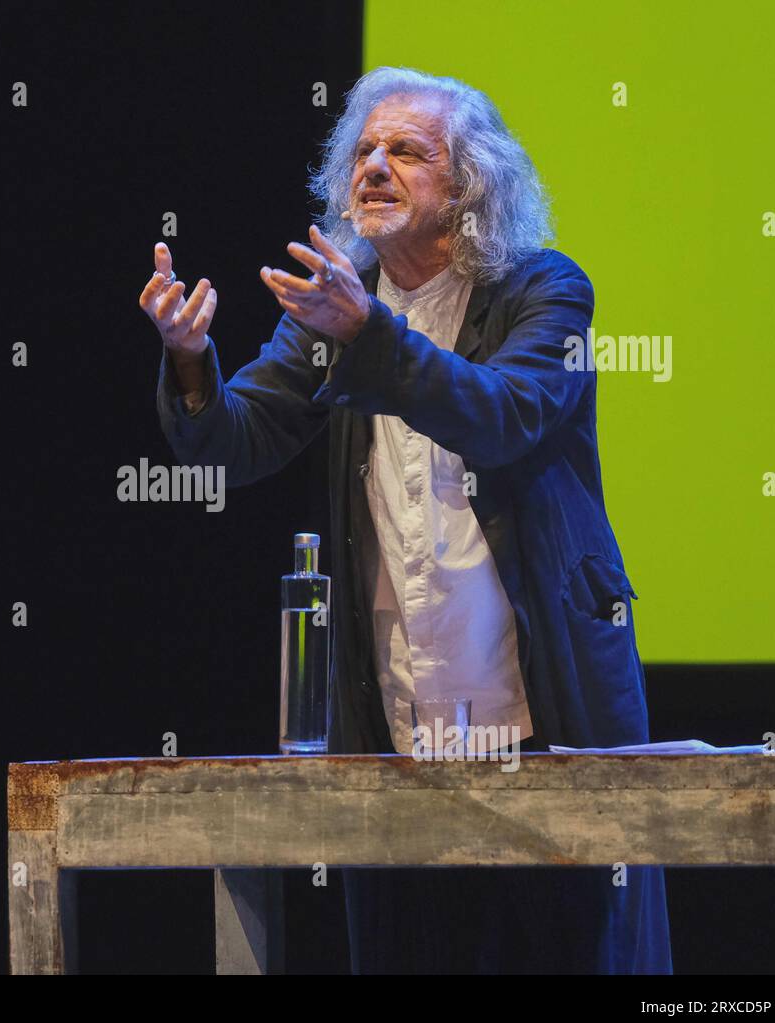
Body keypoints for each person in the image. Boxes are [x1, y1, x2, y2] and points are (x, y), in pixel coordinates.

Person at [139, 65, 672, 974]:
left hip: (541, 718)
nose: (373, 165)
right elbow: (237, 440)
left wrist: (366, 334)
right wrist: (191, 363)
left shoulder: (544, 290)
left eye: (406, 151)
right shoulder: (336, 308)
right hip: (397, 728)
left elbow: (501, 415)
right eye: (364, 150)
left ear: (466, 187)